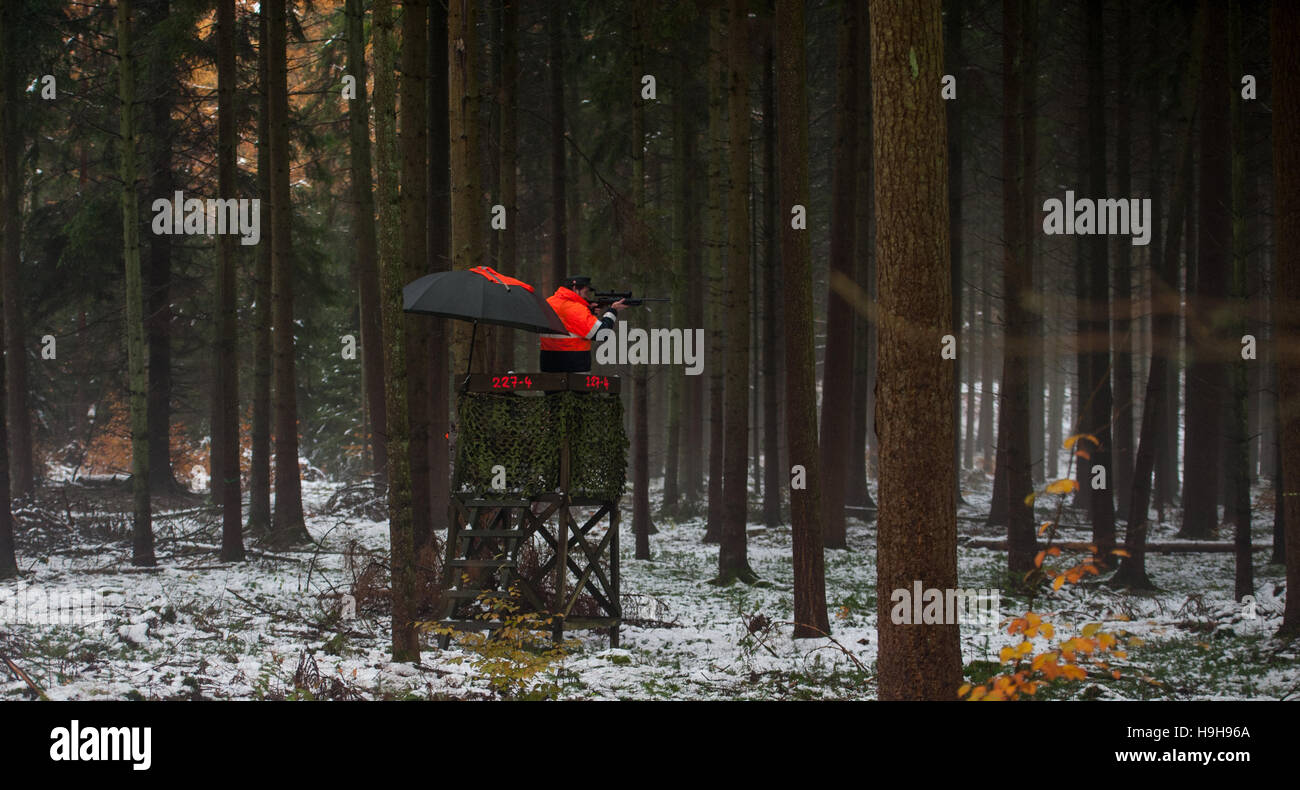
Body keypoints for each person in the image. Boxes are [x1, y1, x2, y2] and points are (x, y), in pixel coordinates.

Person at [539, 275, 626, 373]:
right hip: (574, 370)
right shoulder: (576, 309)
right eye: (586, 292)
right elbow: (602, 334)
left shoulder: (548, 302)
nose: (587, 296)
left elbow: (567, 322)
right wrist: (612, 311)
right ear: (575, 288)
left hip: (548, 367)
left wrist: (588, 312)